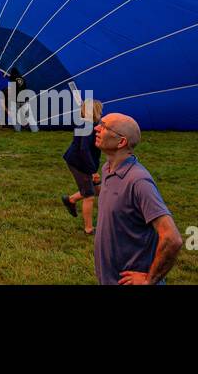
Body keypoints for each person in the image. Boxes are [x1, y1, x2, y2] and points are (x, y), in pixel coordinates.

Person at [93, 113, 182, 284]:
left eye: (104, 126)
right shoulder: (107, 169)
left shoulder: (139, 181)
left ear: (121, 142)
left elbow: (172, 238)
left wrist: (149, 280)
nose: (96, 128)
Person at [61, 99, 103, 234]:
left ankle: (70, 200)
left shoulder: (91, 124)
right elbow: (84, 150)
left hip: (84, 161)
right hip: (78, 163)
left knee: (97, 190)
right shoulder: (86, 126)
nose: (102, 113)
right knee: (89, 195)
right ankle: (89, 228)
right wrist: (92, 171)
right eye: (100, 111)